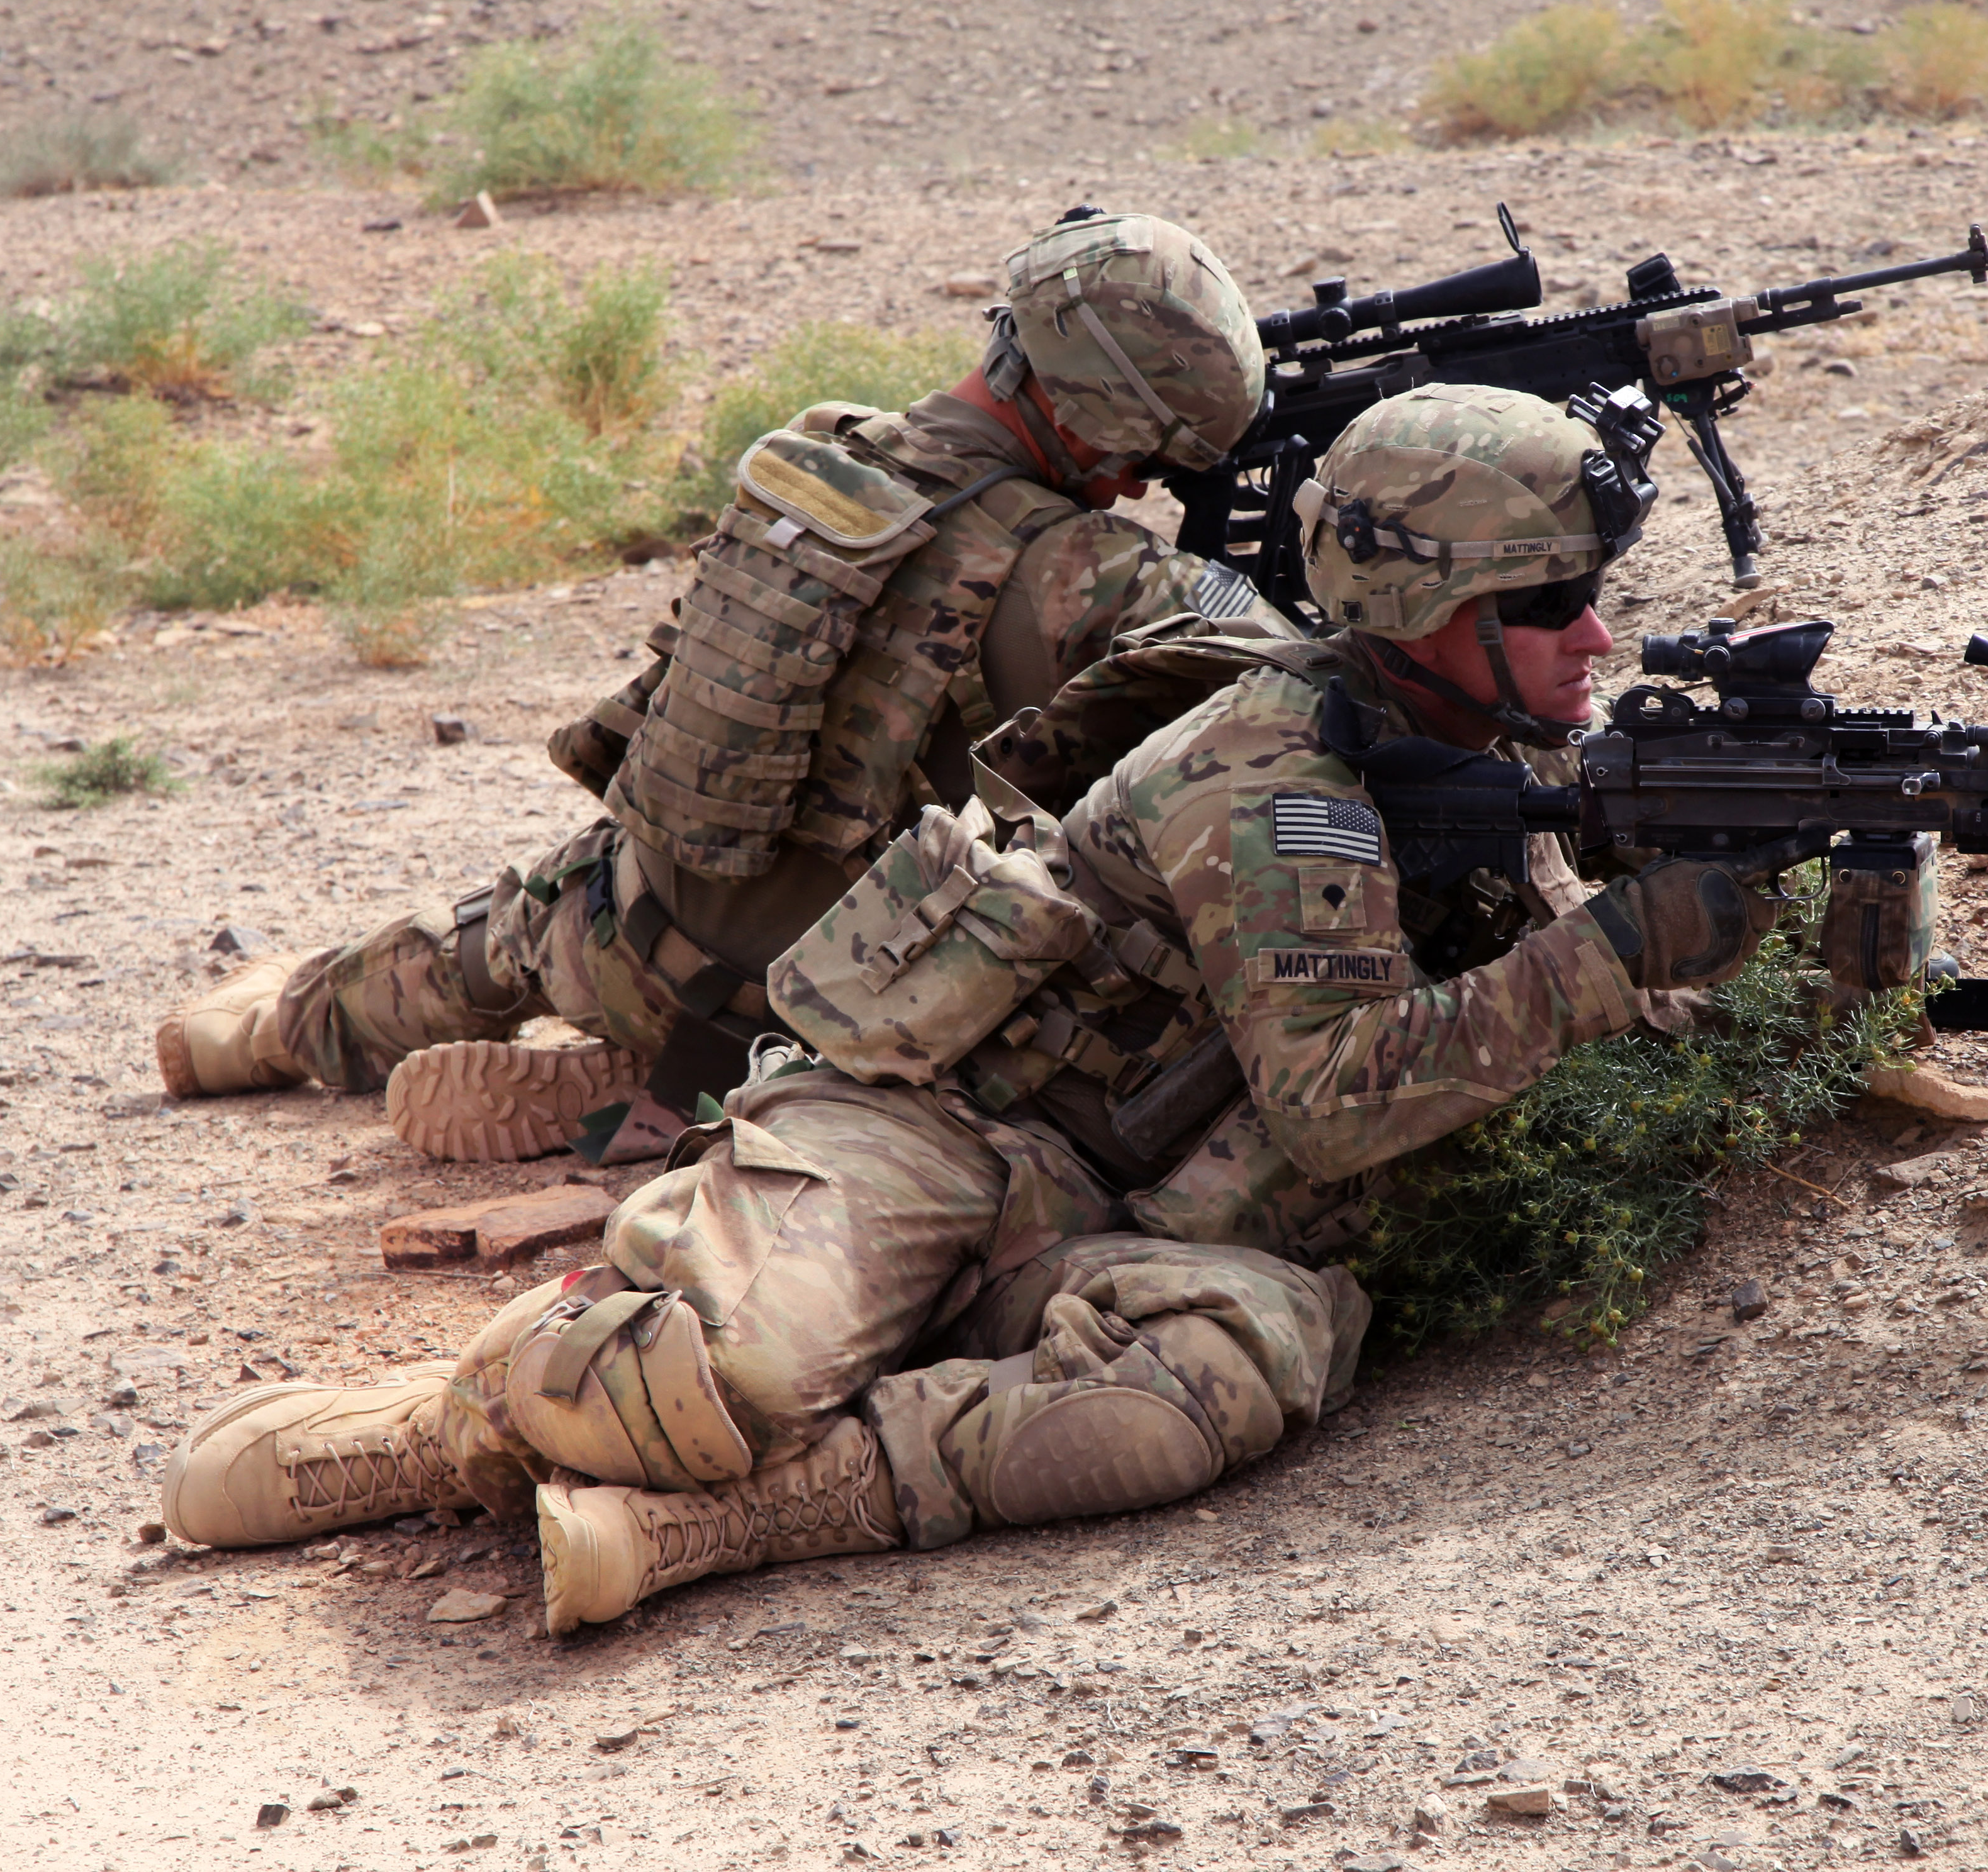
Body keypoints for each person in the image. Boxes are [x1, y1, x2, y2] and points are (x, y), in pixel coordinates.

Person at [156, 382, 1775, 1635]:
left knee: (1215, 1383)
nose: (1596, 636)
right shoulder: (1274, 782)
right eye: (1552, 602)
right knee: (728, 1378)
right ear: (1436, 614)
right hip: (924, 1126)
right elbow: (1339, 1100)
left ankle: (724, 1522)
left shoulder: (1486, 751)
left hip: (1104, 1218)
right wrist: (1617, 951)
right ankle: (449, 1432)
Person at [155, 210, 1295, 1166]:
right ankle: (692, 1095)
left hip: (625, 932)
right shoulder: (1101, 581)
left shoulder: (814, 454)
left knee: (495, 930)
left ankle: (268, 1032)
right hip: (836, 1014)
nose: (1146, 486)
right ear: (1108, 432)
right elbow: (1308, 703)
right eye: (1154, 462)